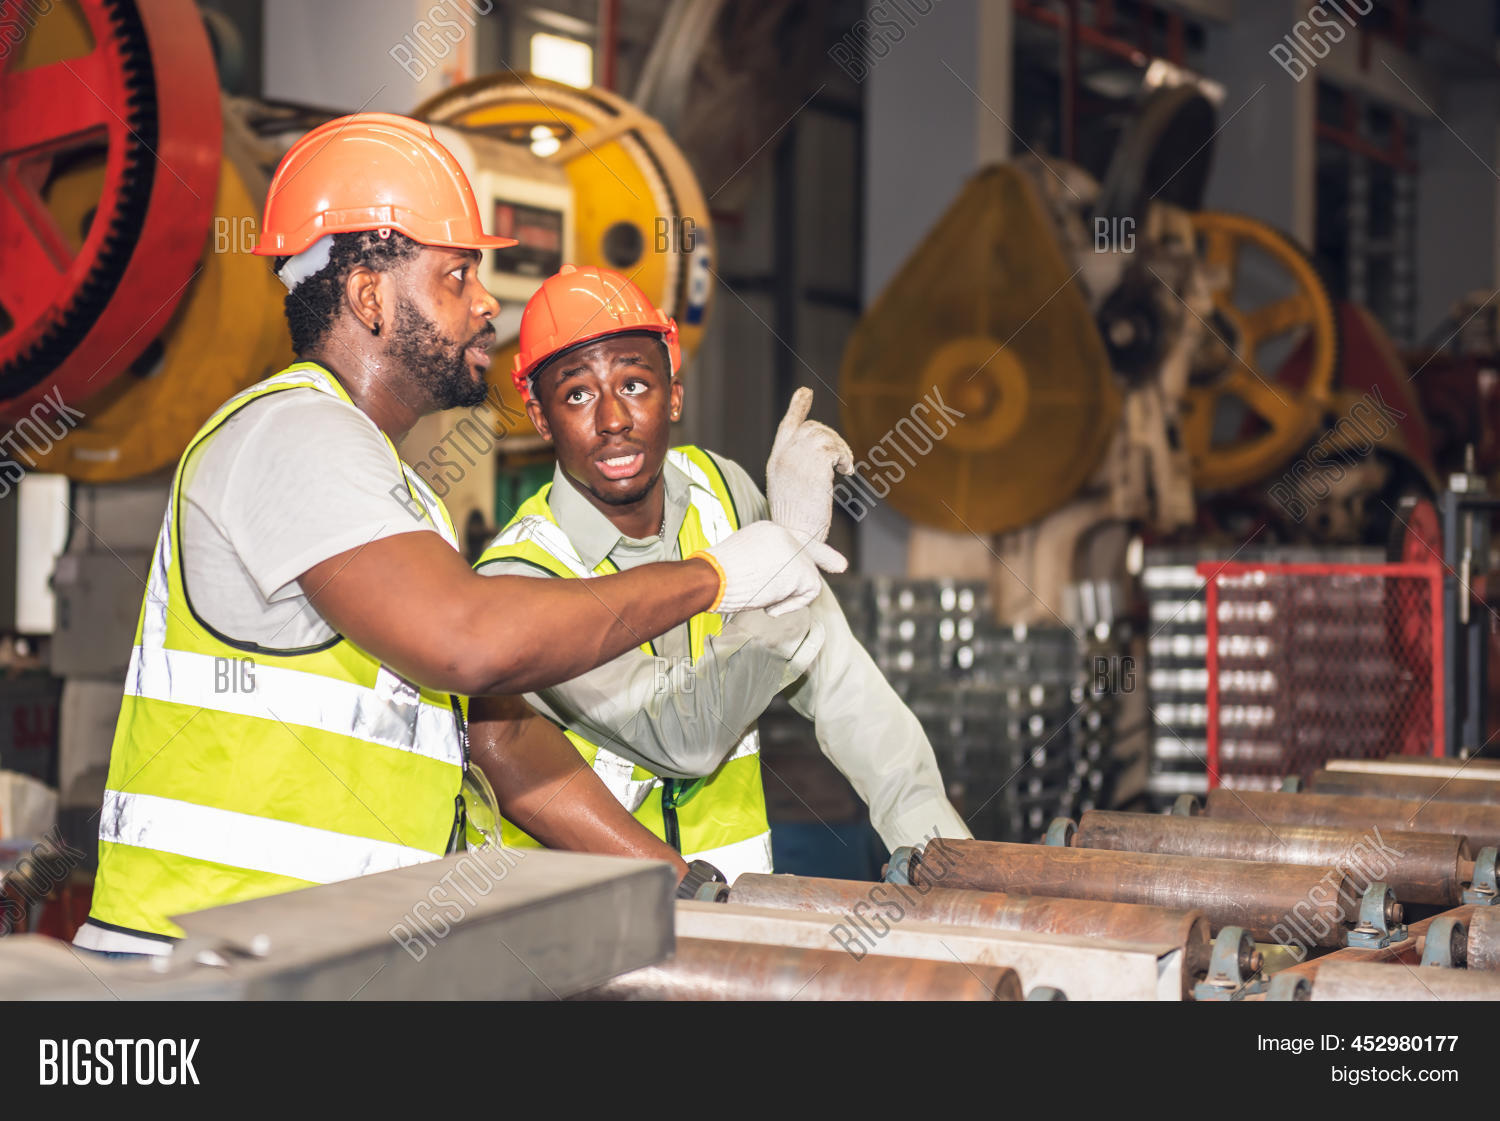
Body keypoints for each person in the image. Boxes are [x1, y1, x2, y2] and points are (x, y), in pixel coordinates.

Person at [74, 114, 844, 955]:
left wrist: (682, 884)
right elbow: (469, 640)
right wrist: (714, 577)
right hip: (202, 965)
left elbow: (500, 736)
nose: (487, 305)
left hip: (311, 964)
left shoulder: (402, 494)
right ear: (369, 296)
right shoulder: (291, 432)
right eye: (457, 276)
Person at [472, 265, 970, 881]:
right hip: (587, 921)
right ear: (541, 418)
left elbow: (844, 684)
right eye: (577, 395)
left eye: (634, 384)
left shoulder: (723, 492)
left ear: (674, 394)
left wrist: (942, 853)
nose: (613, 419)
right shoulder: (523, 576)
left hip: (734, 909)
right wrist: (782, 565)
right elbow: (685, 740)